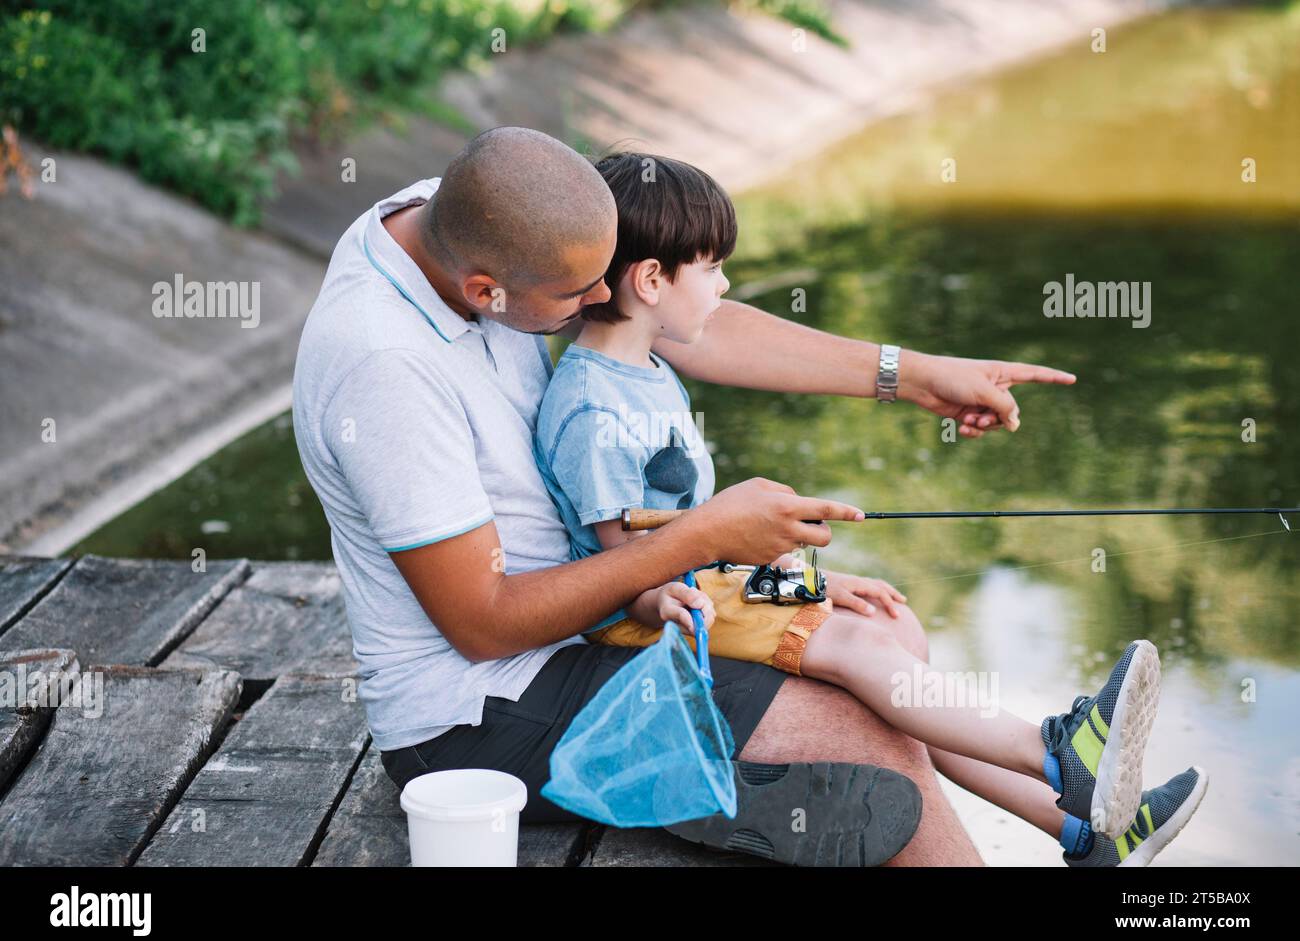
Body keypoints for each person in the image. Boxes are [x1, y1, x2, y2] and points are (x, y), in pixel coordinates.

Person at [292, 126, 1085, 866]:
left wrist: (911, 374)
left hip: (605, 621)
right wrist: (707, 536)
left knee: (885, 629)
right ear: (484, 290)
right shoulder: (383, 368)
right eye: (580, 295)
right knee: (857, 738)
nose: (606, 295)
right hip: (479, 714)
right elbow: (483, 623)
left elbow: (670, 320)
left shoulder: (484, 214)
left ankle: (1078, 824)